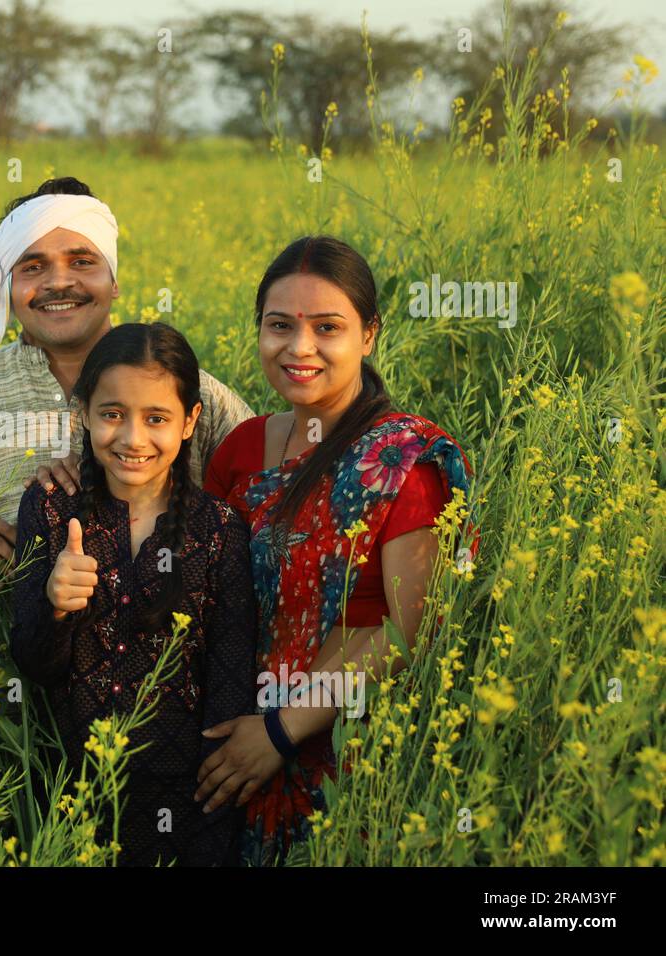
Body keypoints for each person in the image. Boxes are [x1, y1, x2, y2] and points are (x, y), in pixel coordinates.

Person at [197, 235, 480, 866]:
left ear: (370, 334)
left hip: (348, 758)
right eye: (279, 326)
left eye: (328, 327)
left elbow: (409, 628)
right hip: (227, 744)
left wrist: (280, 731)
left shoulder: (407, 459)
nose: (299, 348)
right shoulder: (241, 449)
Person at [0, 177, 255, 577]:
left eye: (82, 262)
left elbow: (276, 488)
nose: (59, 282)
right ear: (8, 287)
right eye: (33, 266)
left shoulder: (185, 389)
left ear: (113, 281)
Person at [11, 322, 258, 867]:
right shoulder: (50, 509)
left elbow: (229, 684)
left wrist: (211, 838)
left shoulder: (219, 530)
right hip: (67, 795)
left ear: (191, 420)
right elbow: (33, 664)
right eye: (113, 414)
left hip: (185, 800)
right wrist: (56, 606)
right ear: (83, 413)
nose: (133, 439)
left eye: (157, 418)